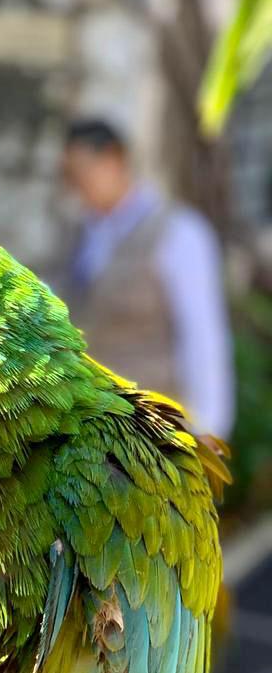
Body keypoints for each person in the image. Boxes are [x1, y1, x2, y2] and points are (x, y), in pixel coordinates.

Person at [60, 117, 235, 439]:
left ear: (115, 159)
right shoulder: (80, 234)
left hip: (156, 432)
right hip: (92, 431)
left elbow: (203, 338)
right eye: (71, 176)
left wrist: (209, 431)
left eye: (83, 171)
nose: (78, 185)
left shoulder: (180, 233)